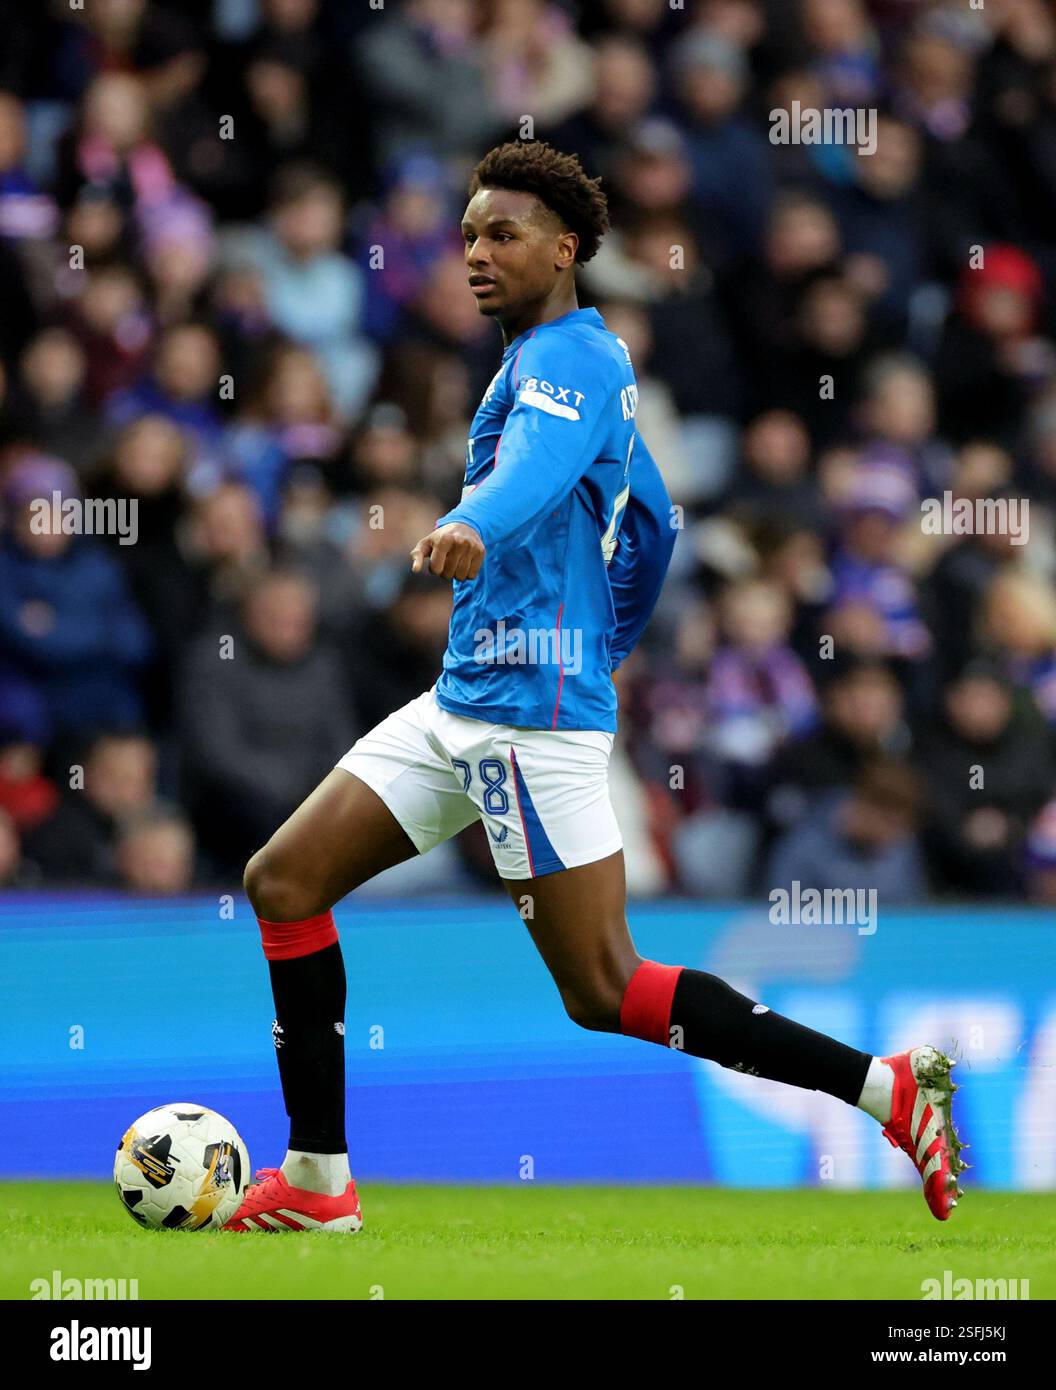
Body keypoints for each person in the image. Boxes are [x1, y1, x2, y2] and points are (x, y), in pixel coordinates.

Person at [225, 141, 964, 1235]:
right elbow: (657, 522)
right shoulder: (562, 356)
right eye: (470, 234)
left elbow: (530, 470)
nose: (477, 253)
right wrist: (602, 637)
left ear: (564, 249)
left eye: (503, 235)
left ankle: (884, 1089)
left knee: (605, 988)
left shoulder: (567, 360)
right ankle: (319, 1179)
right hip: (468, 701)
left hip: (526, 724)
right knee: (284, 881)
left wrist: (478, 522)